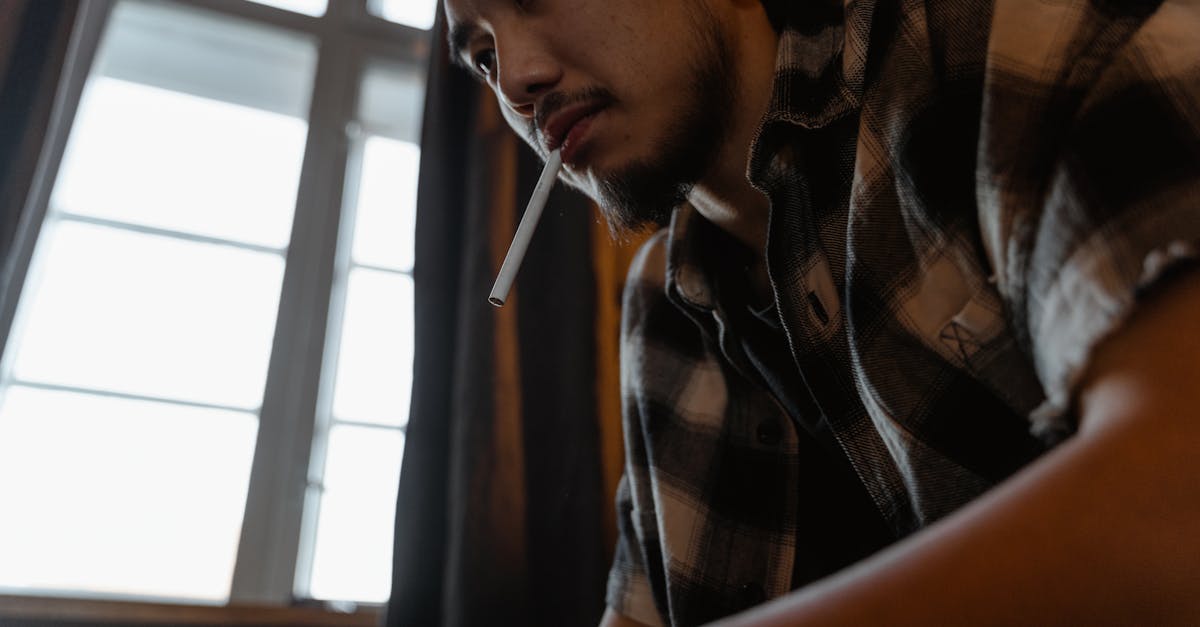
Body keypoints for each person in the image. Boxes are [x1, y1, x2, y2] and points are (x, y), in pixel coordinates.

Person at [442, 0, 1200, 624]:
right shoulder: (662, 310)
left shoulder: (1002, 42)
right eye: (481, 55)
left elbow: (1173, 511)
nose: (517, 82)